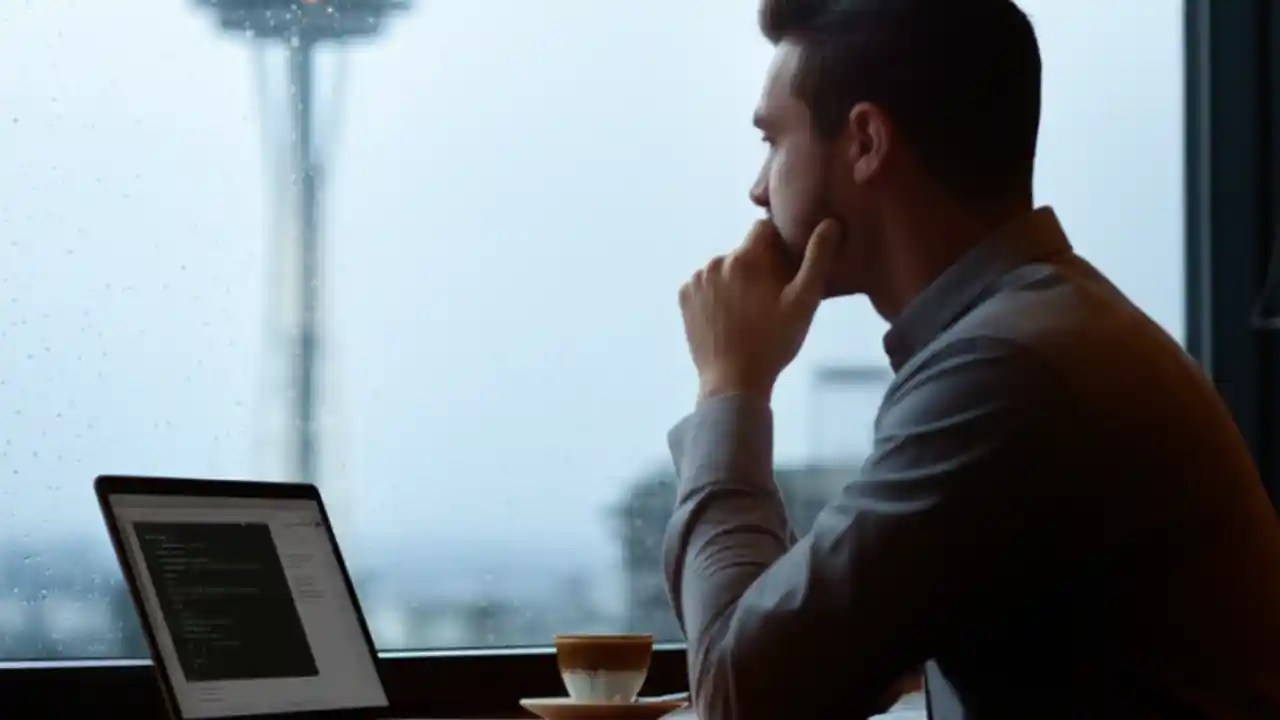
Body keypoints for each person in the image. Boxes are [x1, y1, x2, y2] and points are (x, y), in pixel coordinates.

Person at [662, 0, 1280, 718]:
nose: (759, 188)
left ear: (864, 141)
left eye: (773, 140)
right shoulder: (1043, 329)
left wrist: (730, 386)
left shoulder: (1006, 372)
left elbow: (741, 697)